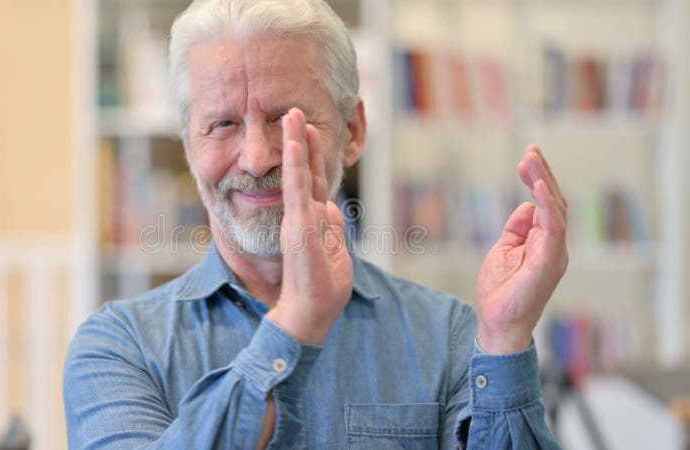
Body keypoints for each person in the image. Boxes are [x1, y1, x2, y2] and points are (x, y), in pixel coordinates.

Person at [63, 0, 569, 448]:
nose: (258, 158)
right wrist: (295, 325)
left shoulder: (451, 336)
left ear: (351, 133)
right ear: (190, 146)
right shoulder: (119, 347)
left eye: (287, 119)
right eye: (223, 124)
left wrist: (505, 340)